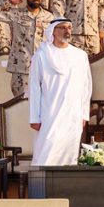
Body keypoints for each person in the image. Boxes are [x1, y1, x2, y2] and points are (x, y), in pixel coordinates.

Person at [28, 19, 91, 166]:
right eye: (62, 28)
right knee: (46, 153)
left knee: (69, 156)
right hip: (49, 113)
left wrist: (84, 114)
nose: (67, 31)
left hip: (73, 115)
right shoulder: (42, 55)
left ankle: (66, 188)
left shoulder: (80, 56)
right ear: (52, 32)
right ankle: (42, 188)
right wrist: (34, 117)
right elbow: (34, 87)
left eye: (69, 27)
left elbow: (86, 87)